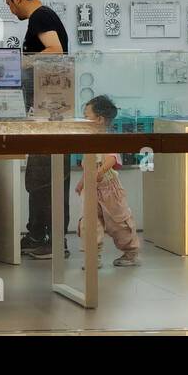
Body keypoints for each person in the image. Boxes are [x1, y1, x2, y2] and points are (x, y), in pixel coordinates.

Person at [2, 0, 70, 260]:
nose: (10, 9)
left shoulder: (40, 17)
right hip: (47, 112)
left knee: (44, 177)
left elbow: (56, 50)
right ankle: (41, 235)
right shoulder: (45, 16)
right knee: (42, 175)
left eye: (8, 3)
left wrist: (19, 63)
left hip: (49, 116)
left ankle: (48, 239)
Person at [75, 96, 141, 268]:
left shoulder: (106, 138)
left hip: (109, 188)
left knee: (118, 223)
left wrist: (100, 172)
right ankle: (93, 256)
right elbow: (88, 166)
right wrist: (83, 182)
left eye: (86, 115)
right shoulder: (88, 139)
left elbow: (112, 159)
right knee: (89, 222)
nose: (84, 119)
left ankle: (131, 252)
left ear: (99, 119)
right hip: (91, 188)